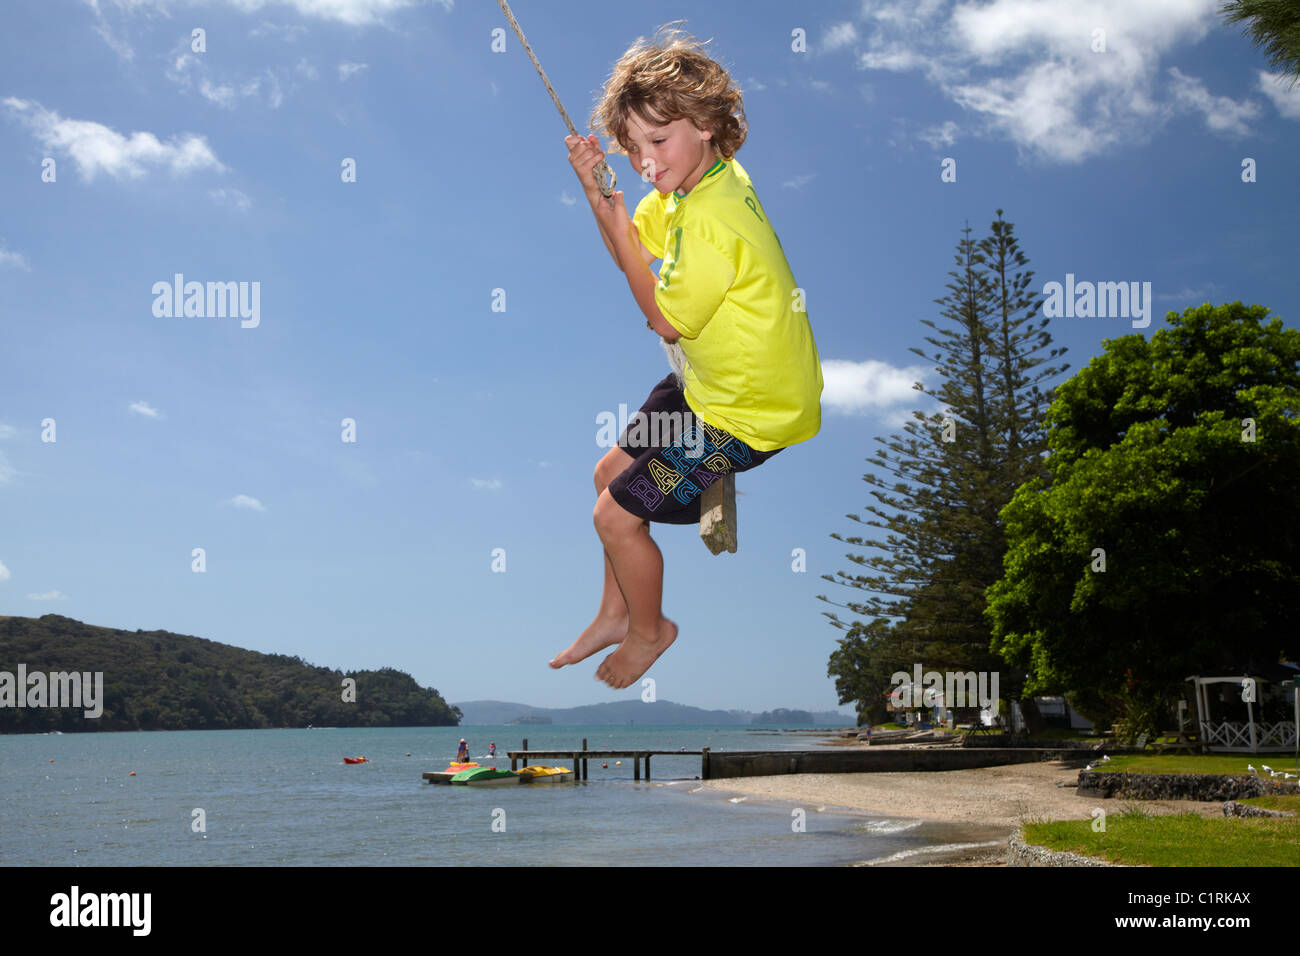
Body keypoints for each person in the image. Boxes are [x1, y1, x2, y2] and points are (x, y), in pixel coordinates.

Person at [549, 23, 822, 689]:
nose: (646, 161)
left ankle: (651, 630)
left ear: (705, 125)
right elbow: (632, 254)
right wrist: (598, 196)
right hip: (709, 387)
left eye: (659, 140)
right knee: (605, 475)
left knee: (615, 514)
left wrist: (612, 214)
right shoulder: (687, 188)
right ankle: (617, 612)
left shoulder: (709, 218)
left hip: (746, 417)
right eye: (634, 147)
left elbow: (664, 318)